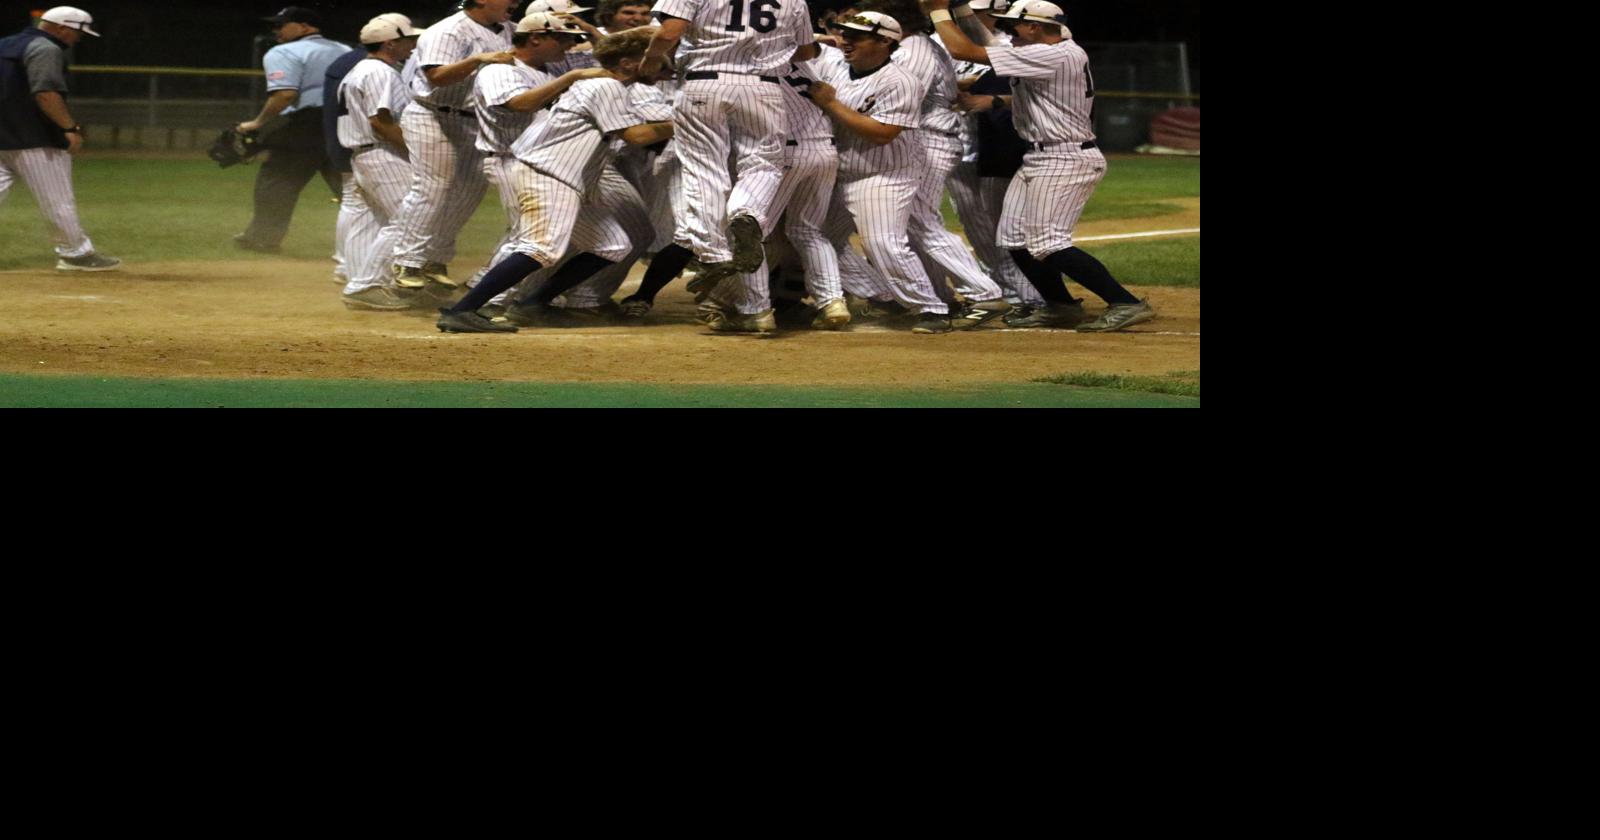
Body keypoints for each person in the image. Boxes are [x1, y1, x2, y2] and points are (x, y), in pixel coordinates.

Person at [919, 0, 1156, 331]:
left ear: (1034, 27)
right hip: (1040, 156)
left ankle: (1125, 302)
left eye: (1013, 25)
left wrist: (938, 10)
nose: (1006, 30)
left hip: (1065, 157)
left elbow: (964, 50)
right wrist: (960, 8)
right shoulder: (1047, 49)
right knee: (1013, 238)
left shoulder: (1053, 54)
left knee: (1048, 243)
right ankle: (1060, 305)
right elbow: (998, 54)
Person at [435, 26, 674, 333]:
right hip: (547, 174)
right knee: (542, 248)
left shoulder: (609, 85)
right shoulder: (606, 86)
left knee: (612, 245)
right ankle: (463, 310)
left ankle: (532, 304)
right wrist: (684, 121)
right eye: (654, 59)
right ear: (628, 63)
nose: (662, 65)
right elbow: (636, 136)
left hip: (566, 177)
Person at [639, 0, 818, 291]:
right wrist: (769, 51)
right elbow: (806, 51)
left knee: (704, 168)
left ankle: (712, 253)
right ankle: (747, 213)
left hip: (705, 81)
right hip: (764, 87)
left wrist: (650, 58)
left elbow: (669, 32)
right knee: (763, 164)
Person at [862, 0, 1008, 328]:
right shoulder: (916, 46)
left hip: (929, 141)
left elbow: (900, 99)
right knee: (913, 222)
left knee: (920, 220)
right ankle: (940, 294)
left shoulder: (912, 50)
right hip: (927, 140)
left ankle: (983, 292)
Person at [808, 11, 953, 334]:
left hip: (884, 176)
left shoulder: (900, 81)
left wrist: (831, 104)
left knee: (883, 243)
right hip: (841, 173)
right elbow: (806, 49)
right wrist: (822, 39)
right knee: (815, 238)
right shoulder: (835, 64)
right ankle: (882, 295)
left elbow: (882, 133)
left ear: (885, 41)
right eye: (844, 34)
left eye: (856, 37)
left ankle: (931, 307)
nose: (846, 41)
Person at [385, 0, 516, 291]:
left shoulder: (510, 29)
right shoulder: (448, 30)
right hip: (433, 114)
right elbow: (437, 77)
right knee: (432, 186)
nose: (516, 2)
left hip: (474, 121)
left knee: (470, 191)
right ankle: (406, 259)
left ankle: (435, 259)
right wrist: (477, 59)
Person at [0, 6, 120, 271]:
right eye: (78, 33)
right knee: (57, 199)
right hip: (35, 137)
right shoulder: (45, 48)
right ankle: (75, 253)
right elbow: (46, 94)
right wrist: (70, 128)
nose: (77, 39)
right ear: (63, 28)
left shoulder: (4, 45)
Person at [232, 7, 354, 254]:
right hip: (346, 123)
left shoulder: (284, 52)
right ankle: (371, 242)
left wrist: (257, 123)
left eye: (281, 25)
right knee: (351, 189)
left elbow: (285, 95)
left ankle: (263, 238)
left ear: (304, 26)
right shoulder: (345, 50)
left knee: (277, 182)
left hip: (306, 125)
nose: (275, 30)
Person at [336, 15, 425, 311]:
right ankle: (367, 285)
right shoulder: (379, 72)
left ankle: (360, 280)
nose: (412, 45)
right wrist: (416, 151)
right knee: (408, 220)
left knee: (369, 221)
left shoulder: (359, 69)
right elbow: (381, 121)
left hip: (365, 154)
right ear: (390, 43)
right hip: (383, 154)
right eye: (407, 40)